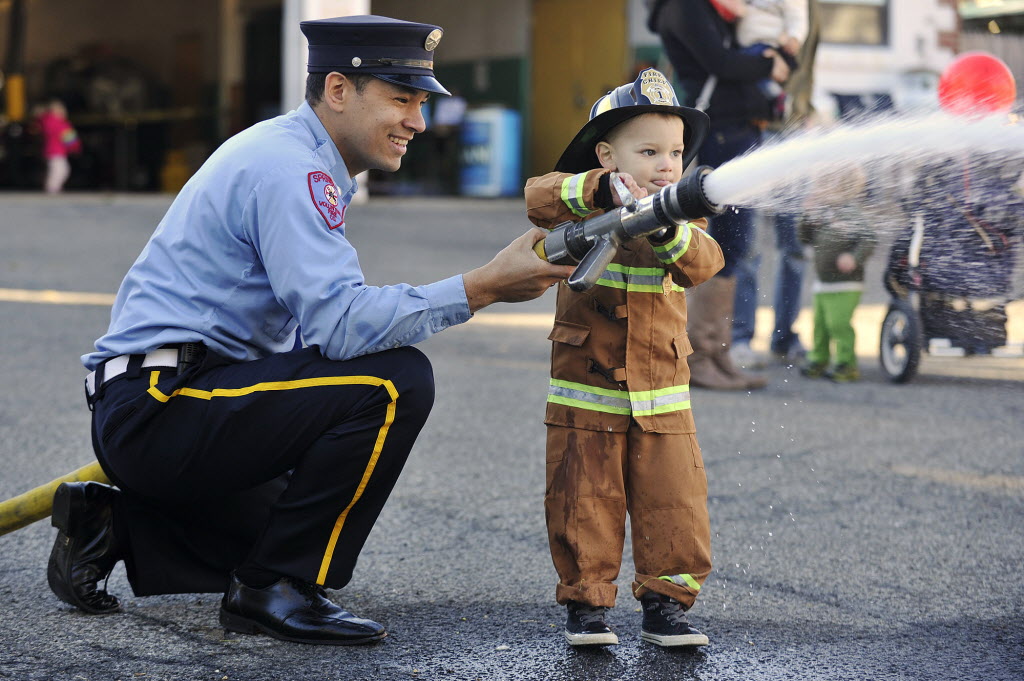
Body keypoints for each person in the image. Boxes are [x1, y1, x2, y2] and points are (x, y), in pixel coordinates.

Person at [46, 15, 573, 646]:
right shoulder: (291, 168)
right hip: (163, 404)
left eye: (421, 102)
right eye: (401, 99)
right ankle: (272, 588)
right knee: (393, 383)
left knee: (297, 506)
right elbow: (343, 327)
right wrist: (482, 286)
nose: (419, 121)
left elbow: (313, 340)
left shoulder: (295, 155)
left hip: (176, 398)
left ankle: (114, 523)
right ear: (339, 89)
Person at [524, 68, 724, 648]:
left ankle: (667, 604)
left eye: (676, 153)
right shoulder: (577, 202)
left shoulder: (682, 216)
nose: (667, 165)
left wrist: (664, 229)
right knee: (583, 499)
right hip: (586, 395)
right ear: (608, 156)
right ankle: (587, 605)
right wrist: (597, 194)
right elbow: (538, 195)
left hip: (662, 397)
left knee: (675, 501)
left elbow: (704, 263)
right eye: (649, 151)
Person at [649, 0, 791, 390]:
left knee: (735, 243)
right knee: (726, 242)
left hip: (737, 130)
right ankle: (701, 354)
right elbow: (720, 63)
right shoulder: (684, 7)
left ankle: (717, 350)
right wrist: (767, 65)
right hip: (723, 132)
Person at [798, 168, 875, 382]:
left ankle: (846, 363)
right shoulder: (822, 213)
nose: (816, 190)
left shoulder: (851, 213)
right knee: (820, 325)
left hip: (846, 284)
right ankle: (819, 358)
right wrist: (807, 217)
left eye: (822, 184)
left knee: (838, 324)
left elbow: (869, 238)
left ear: (842, 188)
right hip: (822, 284)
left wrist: (854, 256)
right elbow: (805, 238)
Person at [37, 99, 81, 194]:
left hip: (49, 151)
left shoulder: (45, 122)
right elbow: (70, 139)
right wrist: (75, 148)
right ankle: (52, 188)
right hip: (57, 152)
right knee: (61, 170)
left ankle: (52, 187)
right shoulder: (61, 124)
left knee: (56, 169)